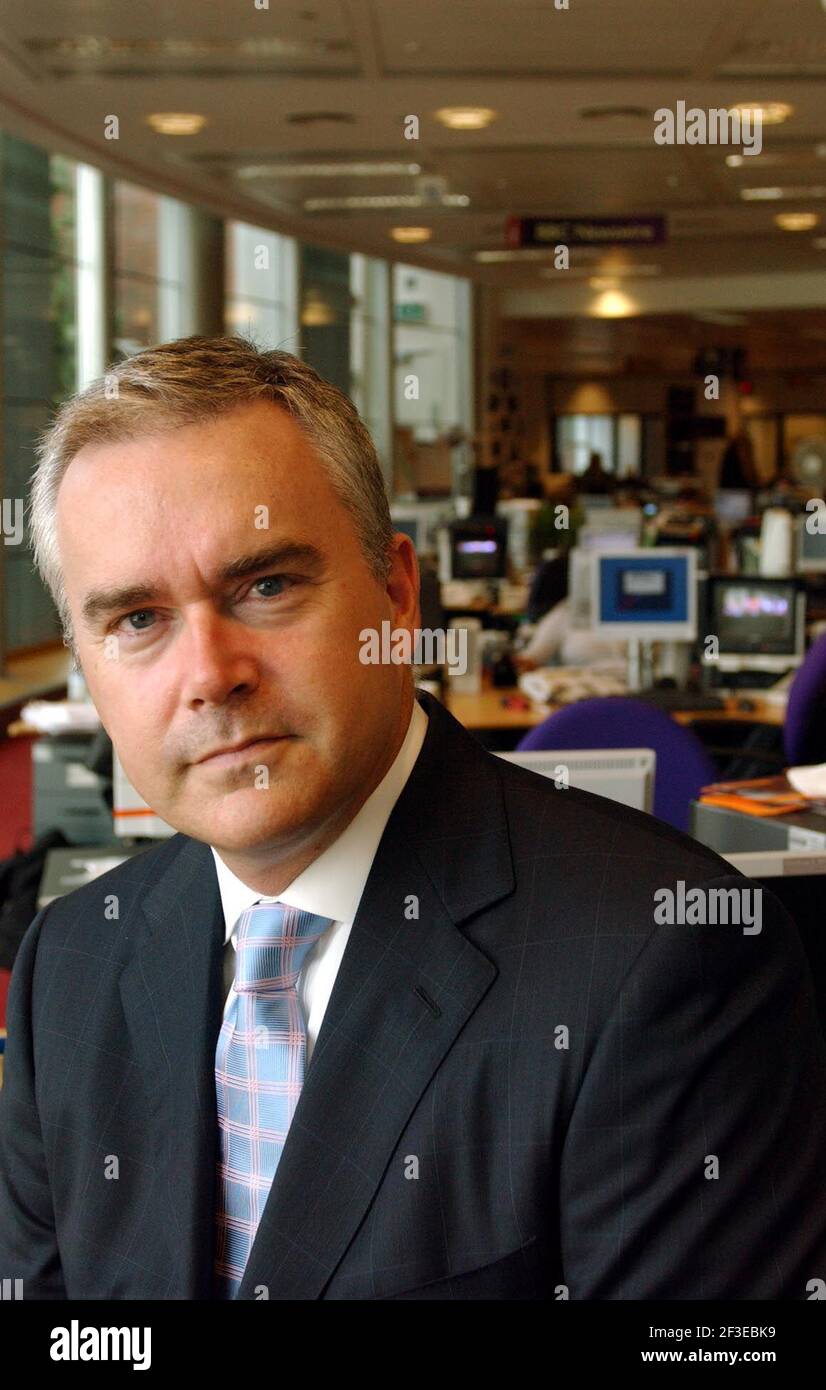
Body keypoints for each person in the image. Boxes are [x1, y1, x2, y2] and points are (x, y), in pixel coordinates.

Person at [1, 335, 824, 1300]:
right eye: (137, 620)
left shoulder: (663, 962)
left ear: (396, 594)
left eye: (266, 586)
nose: (209, 674)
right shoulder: (69, 967)